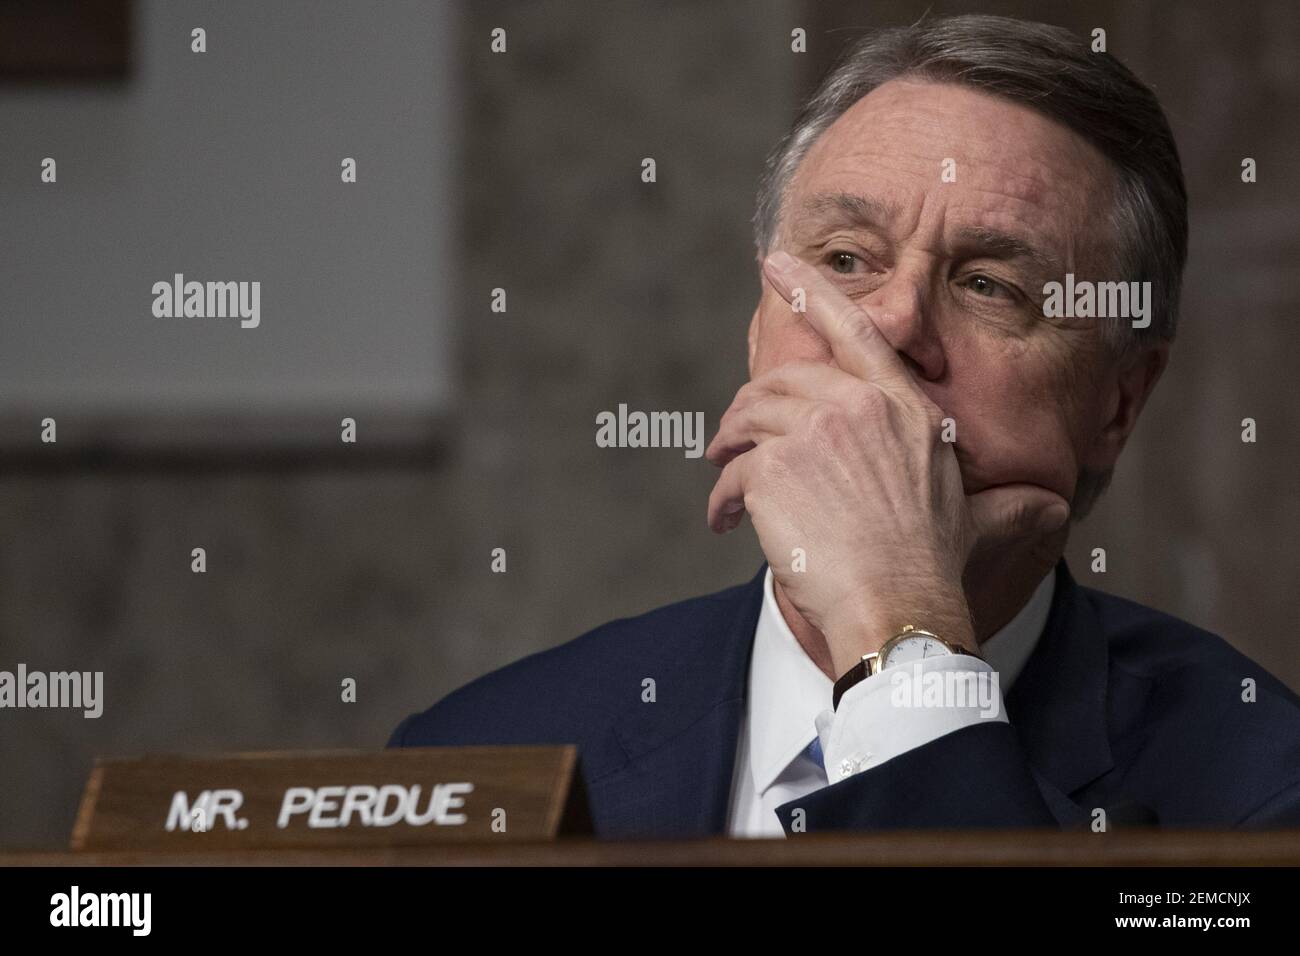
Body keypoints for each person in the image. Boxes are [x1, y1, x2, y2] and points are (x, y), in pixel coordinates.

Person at [390, 15, 1300, 837]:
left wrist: (899, 634)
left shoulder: (1262, 792)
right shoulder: (477, 754)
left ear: (1118, 404)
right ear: (759, 331)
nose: (892, 326)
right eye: (845, 260)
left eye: (990, 285)